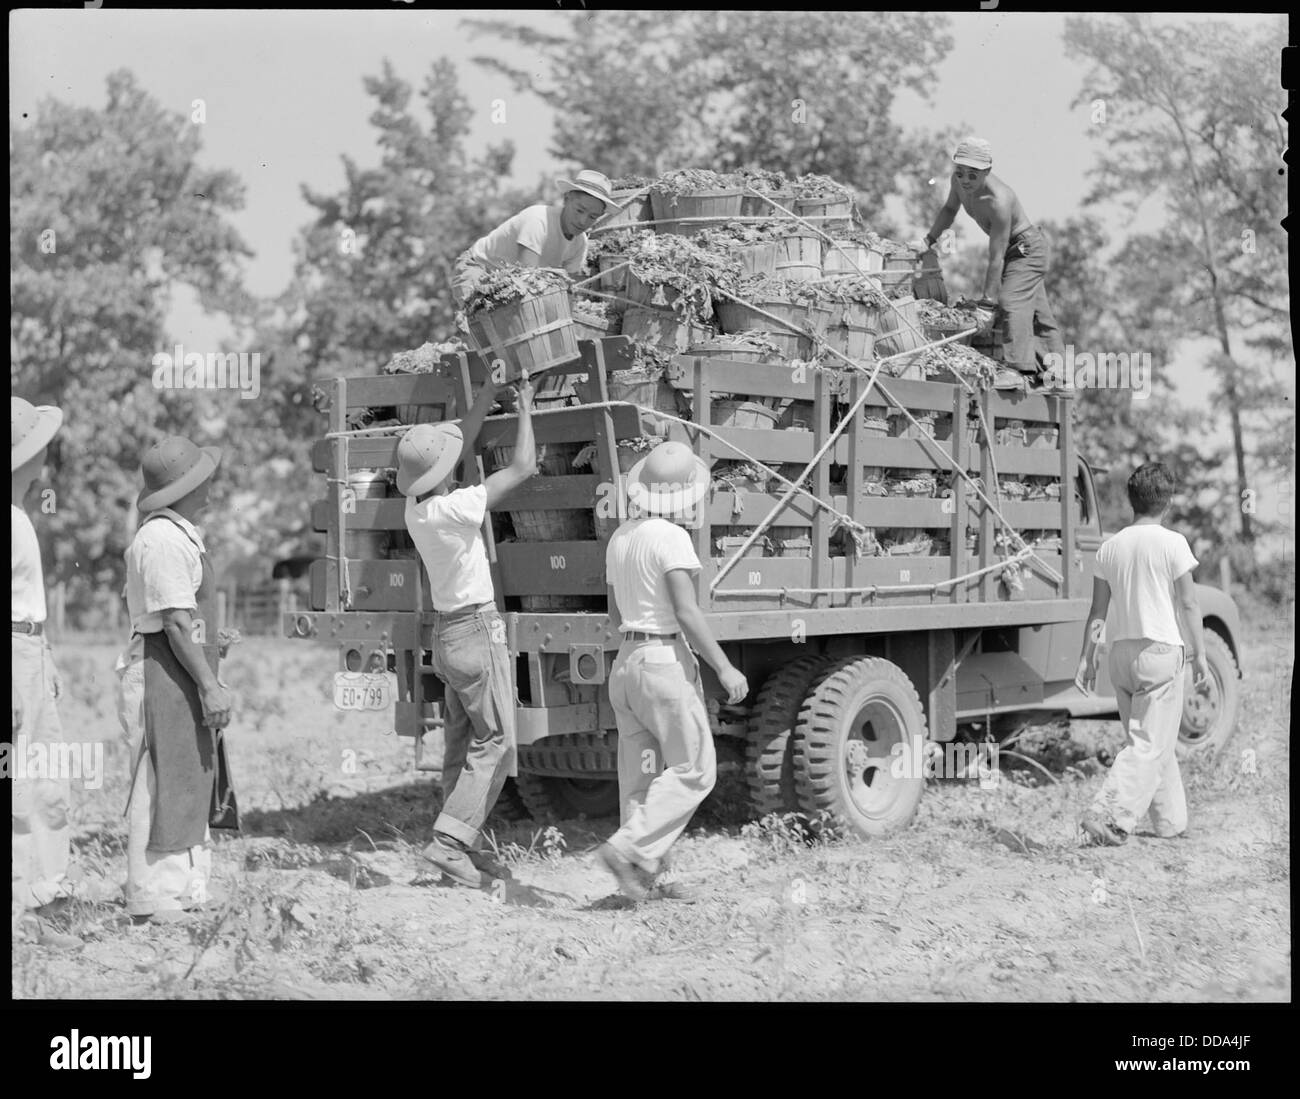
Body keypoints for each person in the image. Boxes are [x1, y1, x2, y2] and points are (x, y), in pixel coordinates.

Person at [399, 372, 537, 888]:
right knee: (498, 739)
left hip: (446, 636)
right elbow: (524, 466)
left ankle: (462, 844)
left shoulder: (415, 509)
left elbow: (458, 443)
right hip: (477, 633)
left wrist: (484, 396)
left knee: (462, 743)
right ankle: (450, 843)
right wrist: (523, 405)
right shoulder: (459, 508)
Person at [596, 441, 749, 902]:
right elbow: (686, 611)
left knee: (642, 777)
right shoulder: (672, 538)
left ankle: (643, 880)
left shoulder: (620, 537)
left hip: (625, 663)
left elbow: (611, 614)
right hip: (663, 663)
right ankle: (626, 849)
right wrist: (723, 668)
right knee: (695, 770)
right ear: (685, 496)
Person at [117, 436, 239, 923]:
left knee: (188, 773)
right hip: (160, 668)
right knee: (160, 778)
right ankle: (151, 897)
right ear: (185, 487)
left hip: (174, 664)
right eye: (201, 478)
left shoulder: (177, 533)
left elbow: (185, 619)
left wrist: (214, 645)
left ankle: (185, 888)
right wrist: (210, 684)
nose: (209, 485)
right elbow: (171, 622)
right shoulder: (163, 540)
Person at [1074, 462, 1211, 846]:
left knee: (1156, 741)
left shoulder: (1110, 547)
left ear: (1131, 501)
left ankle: (1171, 823)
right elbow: (1188, 605)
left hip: (1120, 657)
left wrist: (1087, 658)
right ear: (1166, 502)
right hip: (1160, 651)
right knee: (1148, 745)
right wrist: (1200, 654)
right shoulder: (1172, 543)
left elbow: (1098, 612)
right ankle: (1107, 815)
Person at [11, 396, 82, 950]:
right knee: (22, 788)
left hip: (30, 653)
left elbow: (26, 603)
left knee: (47, 777)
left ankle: (47, 893)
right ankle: (25, 909)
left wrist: (46, 653)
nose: (47, 464)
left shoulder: (20, 519)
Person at [913, 137, 1066, 386]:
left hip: (1027, 250)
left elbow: (996, 257)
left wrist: (986, 304)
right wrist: (928, 240)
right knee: (1039, 315)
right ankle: (1059, 375)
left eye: (973, 175)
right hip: (1016, 250)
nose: (965, 180)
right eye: (960, 172)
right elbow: (950, 210)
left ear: (987, 171)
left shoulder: (999, 201)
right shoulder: (958, 184)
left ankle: (1017, 372)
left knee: (1010, 303)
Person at [452, 169, 618, 305]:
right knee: (478, 324)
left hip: (509, 285)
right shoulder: (538, 220)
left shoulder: (580, 244)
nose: (583, 221)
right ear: (566, 199)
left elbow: (568, 289)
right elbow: (525, 277)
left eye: (592, 217)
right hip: (479, 268)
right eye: (579, 210)